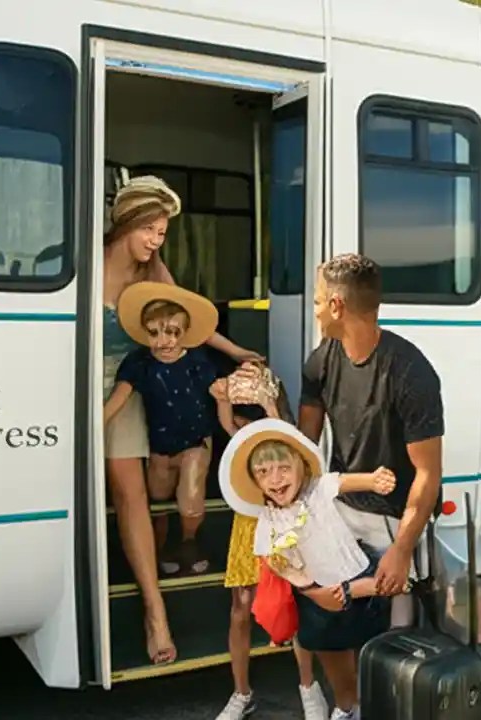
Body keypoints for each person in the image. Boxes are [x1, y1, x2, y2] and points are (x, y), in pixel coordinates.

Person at [101, 175, 262, 665]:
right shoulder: (82, 263)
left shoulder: (153, 271)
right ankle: (157, 597)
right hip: (91, 382)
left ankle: (156, 613)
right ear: (126, 221)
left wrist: (234, 350)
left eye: (163, 232)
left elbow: (188, 319)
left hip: (136, 384)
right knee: (132, 488)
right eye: (149, 228)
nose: (154, 240)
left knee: (132, 493)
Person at [297, 253, 444, 630]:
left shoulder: (411, 372)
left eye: (317, 301)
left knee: (395, 638)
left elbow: (428, 474)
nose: (314, 311)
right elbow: (303, 449)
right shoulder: (320, 361)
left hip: (392, 520)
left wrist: (402, 549)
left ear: (336, 305)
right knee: (335, 626)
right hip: (341, 509)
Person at [223, 418, 401, 720]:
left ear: (300, 468)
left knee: (372, 652)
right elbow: (279, 566)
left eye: (283, 469)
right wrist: (315, 593)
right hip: (319, 595)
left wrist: (372, 480)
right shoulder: (266, 522)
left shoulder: (317, 489)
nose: (275, 479)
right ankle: (346, 707)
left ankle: (370, 703)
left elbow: (342, 481)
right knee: (335, 659)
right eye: (263, 472)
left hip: (356, 573)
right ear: (255, 481)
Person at [211, 363, 330, 720]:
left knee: (294, 604)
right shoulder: (244, 435)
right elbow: (227, 423)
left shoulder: (284, 433)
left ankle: (309, 687)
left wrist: (270, 404)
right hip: (248, 521)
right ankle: (241, 692)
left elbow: (287, 444)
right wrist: (223, 395)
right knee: (240, 607)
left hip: (284, 520)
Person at [106, 281, 222, 577]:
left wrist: (231, 423)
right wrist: (94, 426)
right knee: (158, 495)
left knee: (191, 496)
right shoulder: (139, 363)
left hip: (196, 440)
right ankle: (163, 544)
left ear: (185, 333)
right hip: (160, 444)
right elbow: (119, 397)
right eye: (155, 332)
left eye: (172, 332)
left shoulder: (197, 361)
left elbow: (219, 394)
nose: (164, 341)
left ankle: (189, 541)